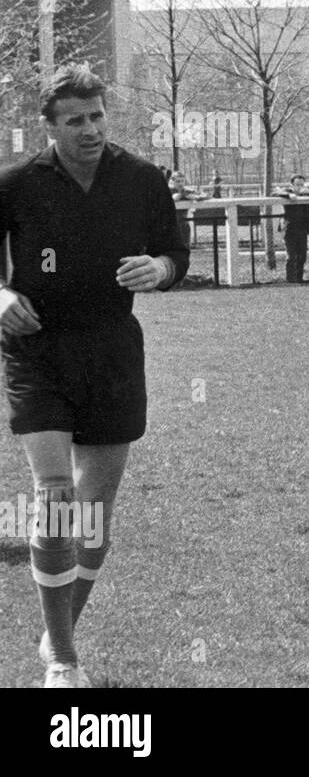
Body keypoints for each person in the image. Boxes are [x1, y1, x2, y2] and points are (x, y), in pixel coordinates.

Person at [0, 64, 189, 688]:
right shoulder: (17, 184)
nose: (91, 129)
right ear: (48, 127)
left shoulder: (140, 178)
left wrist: (159, 268)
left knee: (94, 519)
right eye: (75, 120)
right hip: (37, 352)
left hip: (111, 351)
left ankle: (56, 635)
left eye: (98, 116)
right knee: (55, 498)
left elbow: (176, 251)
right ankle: (62, 659)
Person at [275, 174, 309, 283]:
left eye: (301, 184)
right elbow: (276, 192)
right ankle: (290, 280)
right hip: (289, 227)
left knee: (302, 255)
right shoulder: (288, 191)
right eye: (297, 184)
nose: (300, 186)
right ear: (292, 184)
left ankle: (299, 279)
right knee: (291, 256)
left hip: (302, 227)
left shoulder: (305, 192)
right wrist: (289, 195)